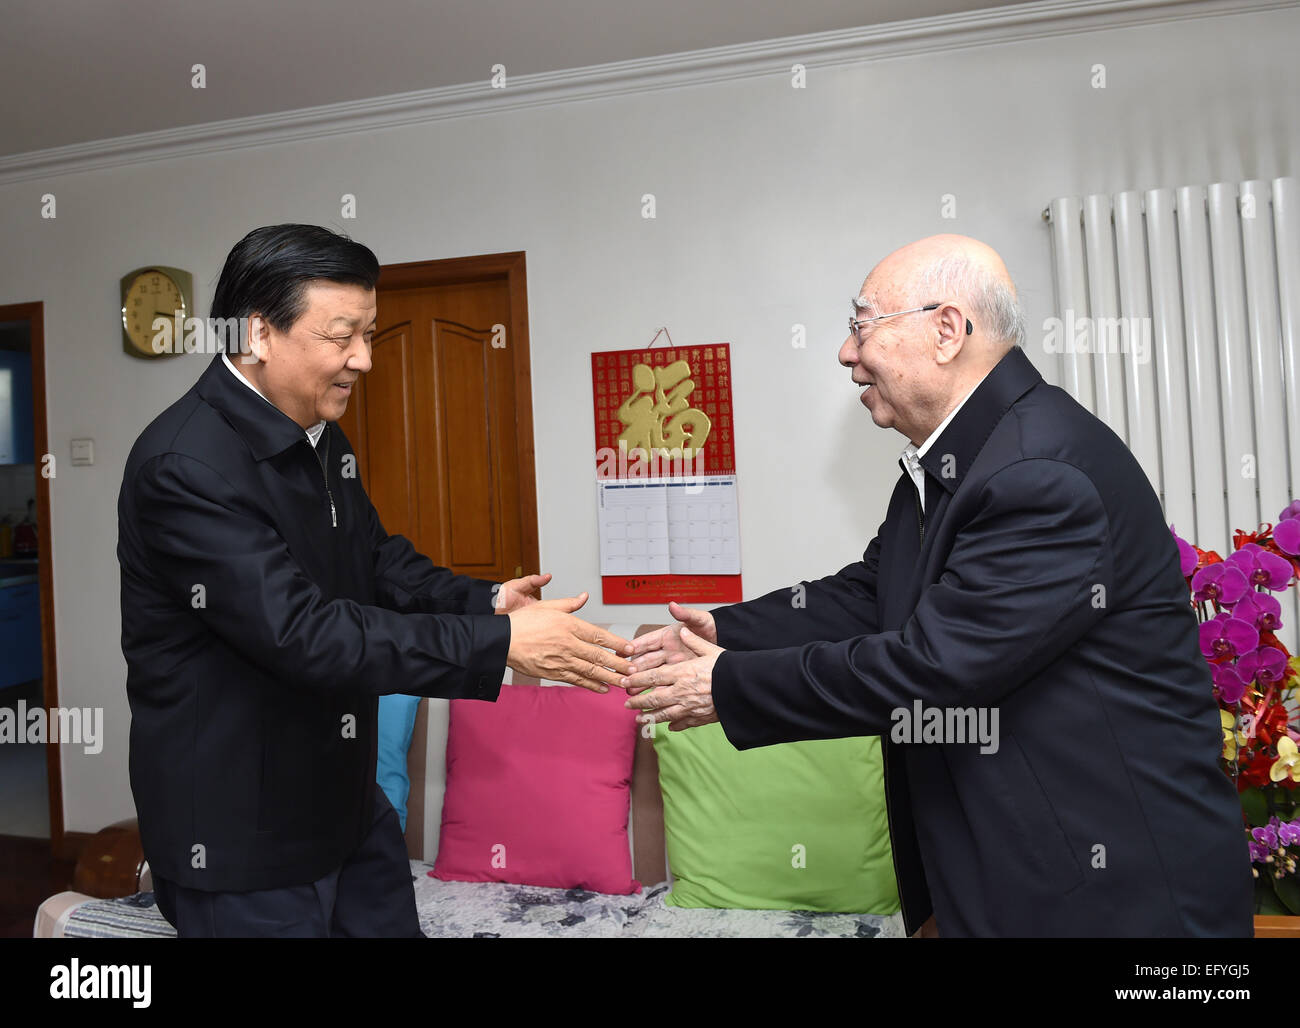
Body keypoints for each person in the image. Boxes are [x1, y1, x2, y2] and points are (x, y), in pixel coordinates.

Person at [621, 234, 1255, 938]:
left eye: (861, 324)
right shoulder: (965, 457)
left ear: (947, 330)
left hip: (1117, 899)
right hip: (1016, 877)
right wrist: (726, 629)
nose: (845, 351)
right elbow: (874, 592)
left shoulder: (1040, 472)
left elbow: (935, 667)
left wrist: (729, 685)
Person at [118, 224, 631, 937]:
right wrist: (497, 642)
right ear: (260, 333)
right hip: (243, 833)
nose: (363, 359)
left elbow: (374, 558)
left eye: (369, 333)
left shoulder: (320, 434)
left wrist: (483, 599)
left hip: (345, 804)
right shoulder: (186, 467)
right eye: (342, 335)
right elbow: (302, 633)